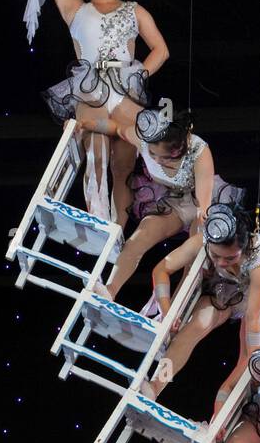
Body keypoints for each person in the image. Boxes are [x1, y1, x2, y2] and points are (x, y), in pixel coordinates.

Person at [18, 0, 169, 226]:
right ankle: (100, 224)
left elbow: (161, 50)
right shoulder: (75, 9)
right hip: (90, 90)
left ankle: (118, 232)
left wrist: (137, 73)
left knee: (124, 169)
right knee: (96, 156)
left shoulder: (134, 11)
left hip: (125, 92)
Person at [140, 200, 260, 423]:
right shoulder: (206, 239)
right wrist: (167, 312)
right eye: (217, 256)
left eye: (230, 258)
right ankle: (155, 386)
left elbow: (252, 317)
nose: (222, 263)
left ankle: (217, 424)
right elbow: (161, 269)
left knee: (246, 368)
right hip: (225, 291)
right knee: (194, 329)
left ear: (243, 248)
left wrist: (253, 357)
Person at [77, 108, 244, 300]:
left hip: (203, 205)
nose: (156, 160)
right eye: (152, 154)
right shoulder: (143, 139)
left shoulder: (199, 151)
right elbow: (116, 128)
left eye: (164, 158)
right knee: (138, 239)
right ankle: (110, 290)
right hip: (174, 200)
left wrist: (200, 236)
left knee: (192, 260)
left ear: (179, 149)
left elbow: (203, 208)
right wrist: (83, 124)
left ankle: (174, 311)